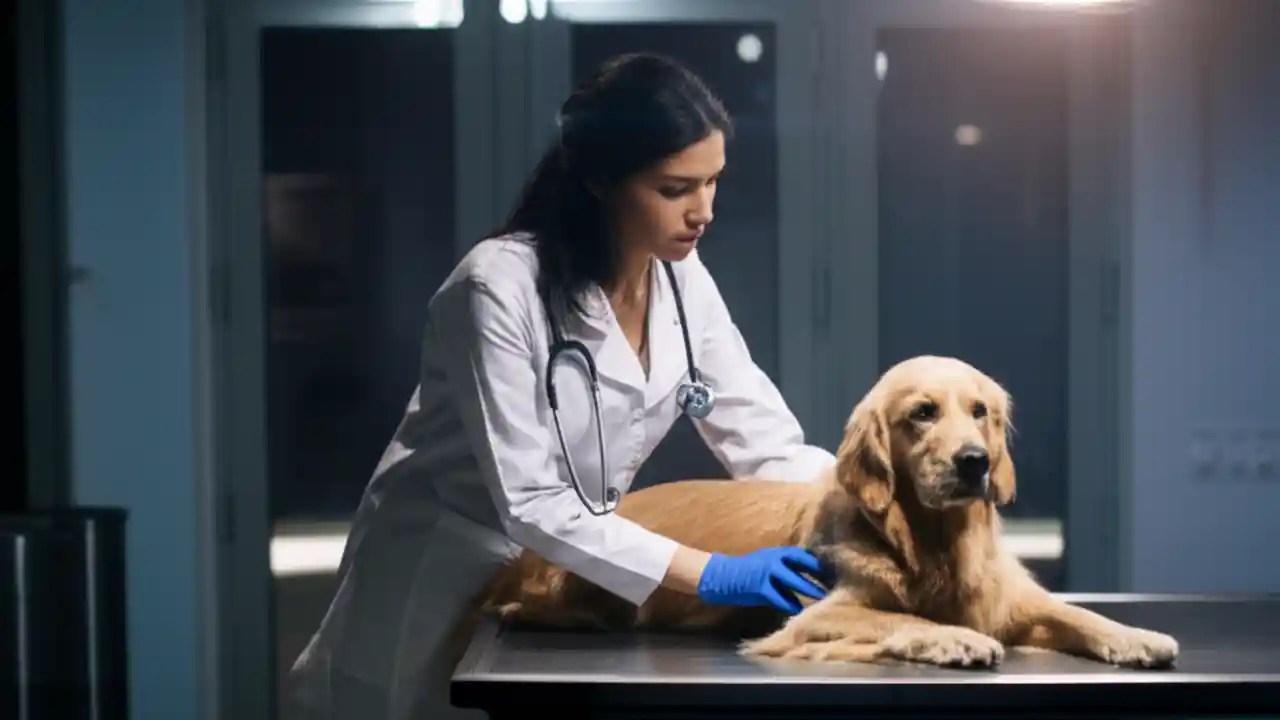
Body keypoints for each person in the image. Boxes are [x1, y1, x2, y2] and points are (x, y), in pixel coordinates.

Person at [286, 52, 836, 720]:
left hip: (557, 580)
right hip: (440, 571)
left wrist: (855, 510)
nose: (703, 211)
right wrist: (712, 571)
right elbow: (532, 501)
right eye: (674, 188)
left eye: (713, 182)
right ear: (601, 181)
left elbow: (762, 438)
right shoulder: (494, 288)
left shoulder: (681, 281)